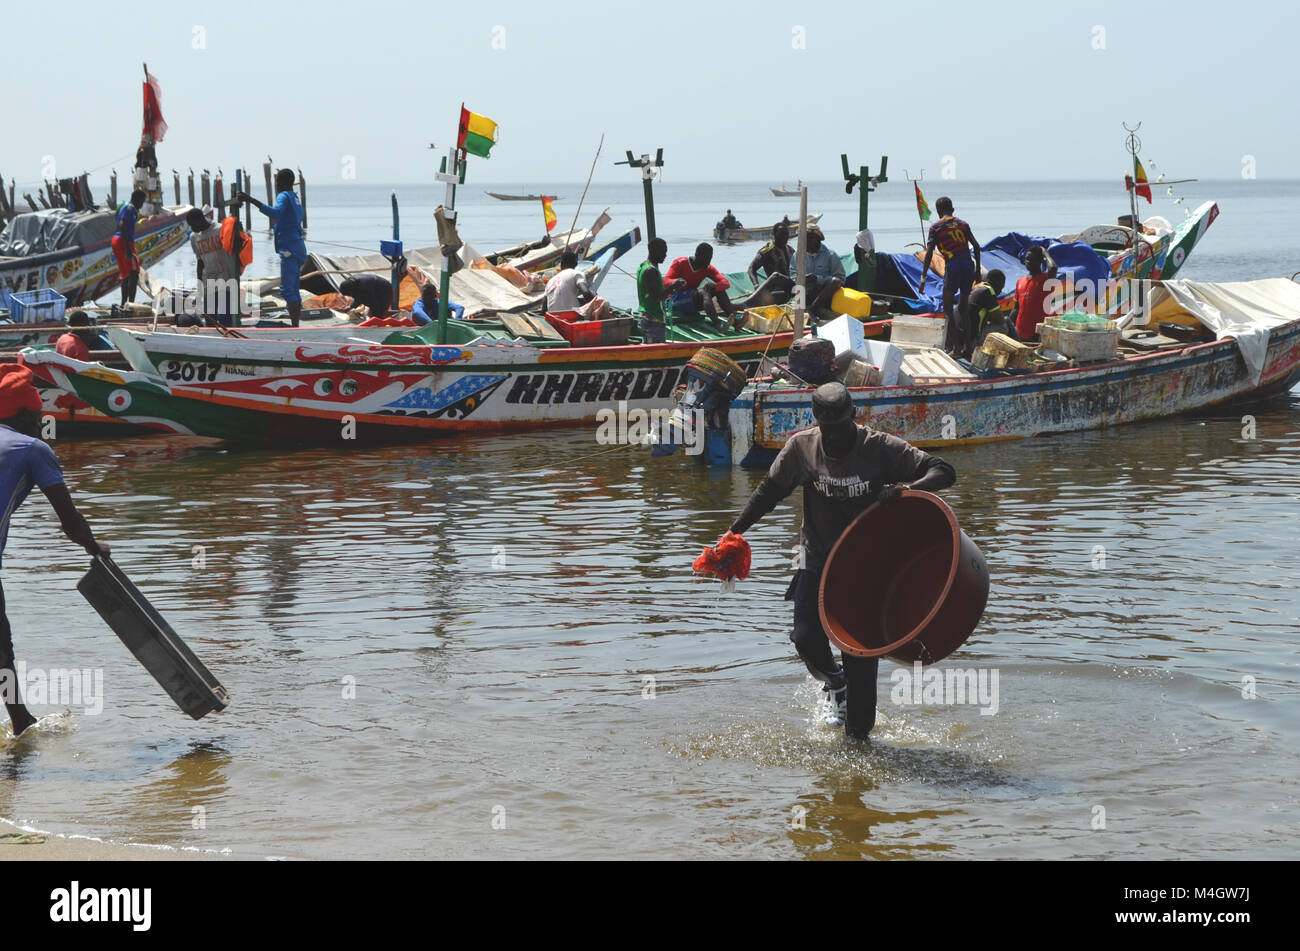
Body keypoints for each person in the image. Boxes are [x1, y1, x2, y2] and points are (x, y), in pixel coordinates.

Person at [724, 382, 956, 738]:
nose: (833, 437)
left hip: (869, 570)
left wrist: (909, 491)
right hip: (817, 560)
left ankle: (857, 762)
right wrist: (734, 533)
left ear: (854, 417)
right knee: (805, 639)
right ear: (817, 422)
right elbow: (768, 492)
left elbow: (943, 469)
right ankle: (835, 684)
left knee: (860, 674)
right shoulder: (802, 448)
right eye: (827, 429)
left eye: (841, 428)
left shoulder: (879, 448)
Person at [0, 364, 109, 737]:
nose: (43, 421)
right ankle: (20, 722)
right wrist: (95, 547)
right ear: (24, 414)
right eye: (39, 414)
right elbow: (70, 521)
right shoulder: (33, 448)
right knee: (1, 649)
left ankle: (21, 721)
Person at [236, 169, 306, 327]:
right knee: (294, 289)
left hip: (289, 249)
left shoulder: (283, 196)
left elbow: (276, 213)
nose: (276, 185)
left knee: (288, 290)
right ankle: (296, 324)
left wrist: (250, 199)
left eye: (277, 182)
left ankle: (295, 326)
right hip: (298, 247)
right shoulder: (295, 198)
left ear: (280, 183)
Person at [919, 197, 982, 356]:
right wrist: (978, 272)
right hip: (968, 265)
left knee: (948, 308)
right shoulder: (963, 224)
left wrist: (923, 279)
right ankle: (968, 347)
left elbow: (929, 255)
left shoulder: (936, 227)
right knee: (963, 308)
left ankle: (956, 348)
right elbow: (976, 246)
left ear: (939, 211)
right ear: (952, 209)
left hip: (953, 266)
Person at [186, 208, 241, 327]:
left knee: (225, 315)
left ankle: (229, 341)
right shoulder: (194, 237)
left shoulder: (220, 229)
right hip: (208, 279)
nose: (191, 228)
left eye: (192, 224)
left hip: (225, 277)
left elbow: (237, 248)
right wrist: (199, 283)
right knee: (210, 317)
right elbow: (200, 261)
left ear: (200, 220)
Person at [666, 243, 739, 330]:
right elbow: (665, 281)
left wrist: (715, 286)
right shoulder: (680, 262)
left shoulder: (708, 268)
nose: (708, 262)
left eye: (710, 258)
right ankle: (717, 323)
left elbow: (726, 283)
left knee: (719, 290)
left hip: (691, 301)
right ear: (697, 254)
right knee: (703, 292)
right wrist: (677, 282)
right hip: (674, 302)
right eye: (706, 258)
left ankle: (735, 321)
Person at [788, 226, 845, 319]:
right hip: (804, 293)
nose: (806, 242)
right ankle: (798, 313)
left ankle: (813, 309)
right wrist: (804, 279)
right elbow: (793, 275)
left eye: (810, 239)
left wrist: (818, 279)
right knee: (797, 286)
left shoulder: (830, 255)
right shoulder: (798, 255)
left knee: (835, 281)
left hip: (823, 296)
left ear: (817, 239)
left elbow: (841, 279)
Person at [637, 238, 685, 344]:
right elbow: (656, 298)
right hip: (653, 320)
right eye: (662, 251)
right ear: (653, 251)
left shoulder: (643, 266)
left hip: (645, 317)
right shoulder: (650, 271)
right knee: (654, 354)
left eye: (666, 251)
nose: (665, 255)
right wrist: (674, 286)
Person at [545, 251, 611, 319]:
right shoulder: (577, 274)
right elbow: (586, 292)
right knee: (594, 296)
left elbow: (544, 308)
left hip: (553, 317)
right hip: (570, 316)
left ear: (561, 265)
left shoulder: (550, 280)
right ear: (576, 264)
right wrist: (595, 307)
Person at [1012, 246, 1059, 341]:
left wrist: (1045, 253)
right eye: (1027, 259)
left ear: (1040, 262)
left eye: (1032, 260)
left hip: (1037, 334)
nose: (1028, 262)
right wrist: (1008, 325)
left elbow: (1053, 268)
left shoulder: (1046, 280)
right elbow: (1016, 308)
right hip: (1019, 332)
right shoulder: (1020, 282)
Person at [745, 222, 796, 305]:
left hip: (790, 286)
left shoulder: (791, 250)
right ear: (774, 234)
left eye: (786, 234)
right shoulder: (767, 251)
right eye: (781, 234)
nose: (784, 236)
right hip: (776, 289)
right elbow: (751, 268)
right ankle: (748, 303)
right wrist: (756, 285)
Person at [111, 189, 146, 308]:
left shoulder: (124, 207)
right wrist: (127, 247)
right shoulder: (130, 208)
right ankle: (131, 304)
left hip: (116, 240)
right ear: (137, 198)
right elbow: (122, 224)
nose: (142, 205)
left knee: (126, 274)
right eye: (142, 201)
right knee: (134, 272)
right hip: (123, 241)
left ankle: (124, 304)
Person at [968, 269, 1008, 347]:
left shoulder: (978, 288)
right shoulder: (988, 291)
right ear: (997, 284)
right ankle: (1019, 348)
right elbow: (1000, 319)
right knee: (1004, 326)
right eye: (1001, 287)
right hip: (973, 340)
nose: (1000, 292)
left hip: (964, 337)